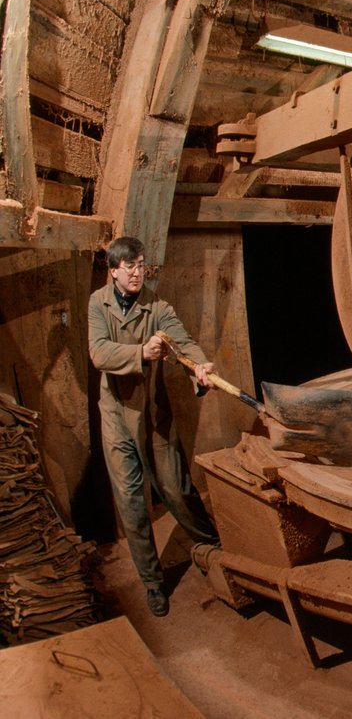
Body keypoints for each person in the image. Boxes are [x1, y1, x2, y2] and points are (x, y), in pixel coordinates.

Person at [87, 236, 221, 617]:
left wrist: (199, 366)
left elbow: (182, 341)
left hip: (153, 412)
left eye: (140, 264)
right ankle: (152, 582)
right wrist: (139, 353)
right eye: (128, 266)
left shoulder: (157, 307)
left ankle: (211, 545)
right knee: (131, 502)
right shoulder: (99, 304)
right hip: (115, 415)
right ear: (113, 271)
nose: (135, 272)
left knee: (176, 488)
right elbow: (99, 352)